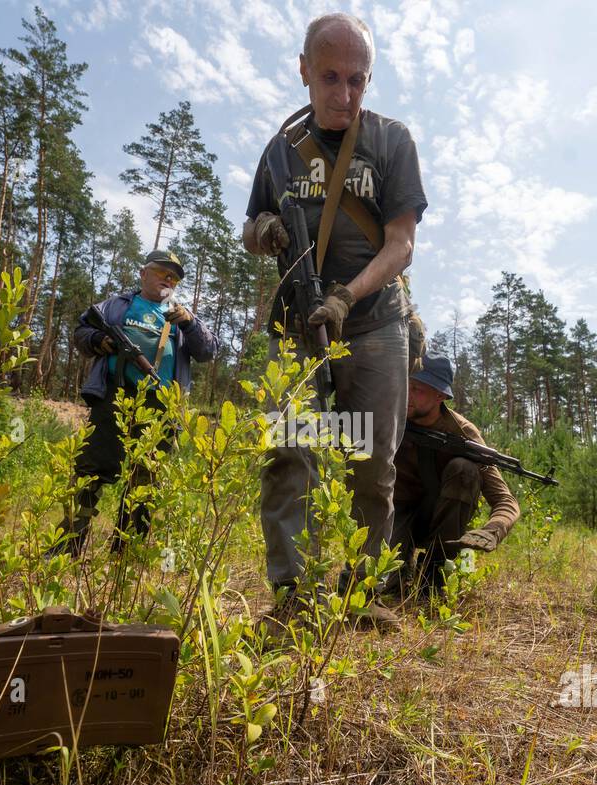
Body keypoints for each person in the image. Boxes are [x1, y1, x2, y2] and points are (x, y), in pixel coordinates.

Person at [243, 11, 428, 629]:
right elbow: (250, 226)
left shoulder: (392, 141)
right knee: (291, 455)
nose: (346, 94)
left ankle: (358, 596)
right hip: (297, 327)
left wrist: (347, 296)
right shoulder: (278, 150)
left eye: (359, 80)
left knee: (373, 464)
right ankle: (292, 596)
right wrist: (265, 229)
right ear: (303, 71)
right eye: (331, 78)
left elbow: (401, 244)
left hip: (374, 323)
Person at [48, 250, 217, 558]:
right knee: (90, 471)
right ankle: (66, 546)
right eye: (162, 272)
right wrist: (100, 341)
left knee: (144, 481)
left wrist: (190, 323)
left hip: (162, 407)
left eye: (174, 276)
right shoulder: (115, 306)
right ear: (143, 272)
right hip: (115, 397)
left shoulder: (182, 315)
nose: (168, 279)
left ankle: (125, 554)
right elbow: (82, 331)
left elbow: (208, 351)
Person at [389, 355, 521, 597]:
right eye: (405, 384)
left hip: (441, 520)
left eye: (417, 389)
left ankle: (434, 575)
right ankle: (402, 567)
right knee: (386, 587)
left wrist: (492, 530)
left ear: (440, 396)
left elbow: (506, 501)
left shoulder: (463, 434)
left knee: (465, 470)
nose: (407, 393)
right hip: (393, 516)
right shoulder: (387, 416)